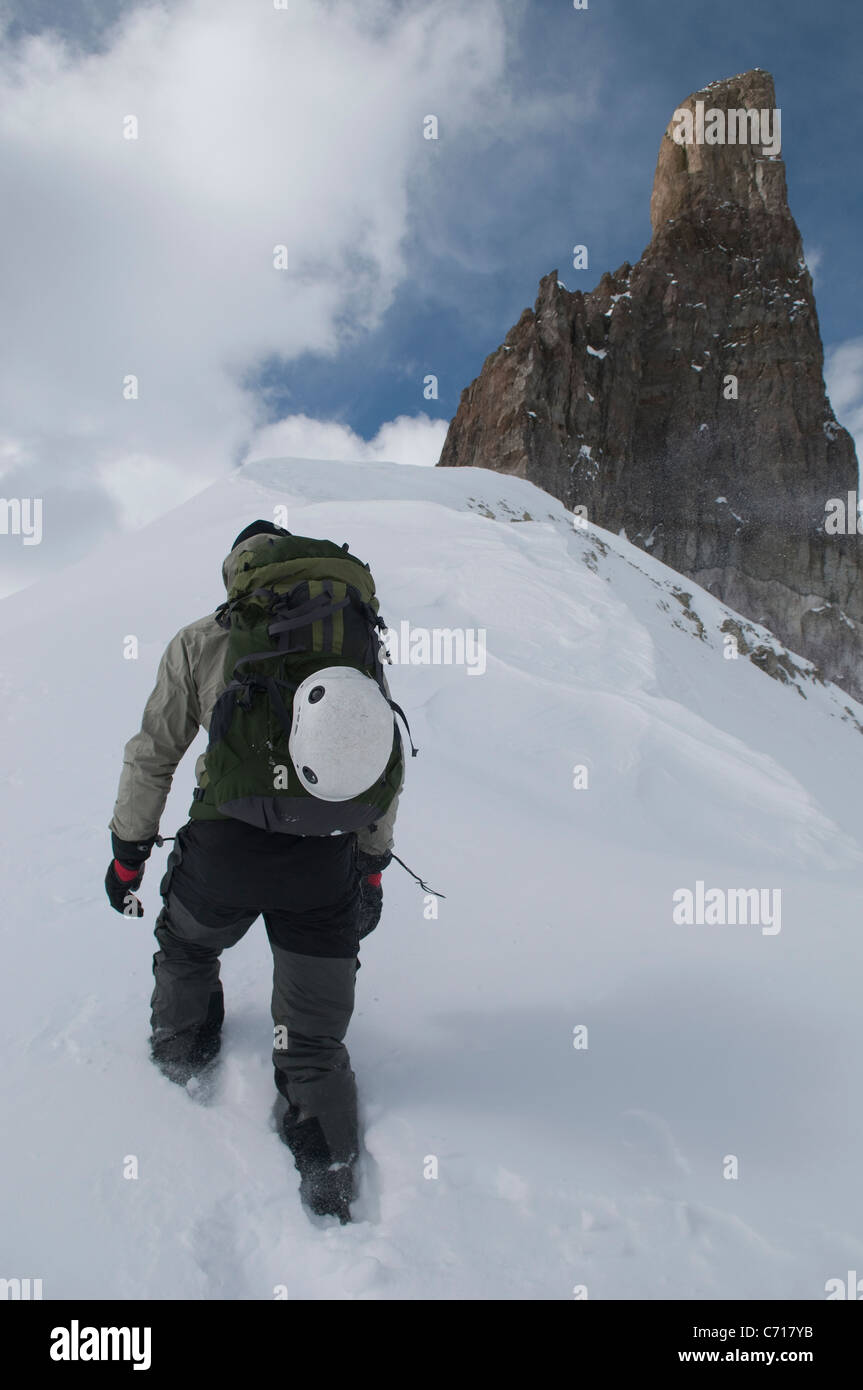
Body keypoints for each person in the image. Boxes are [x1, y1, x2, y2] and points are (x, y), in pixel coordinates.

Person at [104, 520, 403, 1222]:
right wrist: (371, 865)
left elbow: (153, 754)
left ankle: (181, 1057)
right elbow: (378, 760)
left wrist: (129, 853)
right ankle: (328, 1176)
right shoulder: (350, 640)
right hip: (323, 859)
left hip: (224, 851)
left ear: (237, 572)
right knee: (313, 1038)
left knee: (188, 946)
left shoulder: (203, 637)